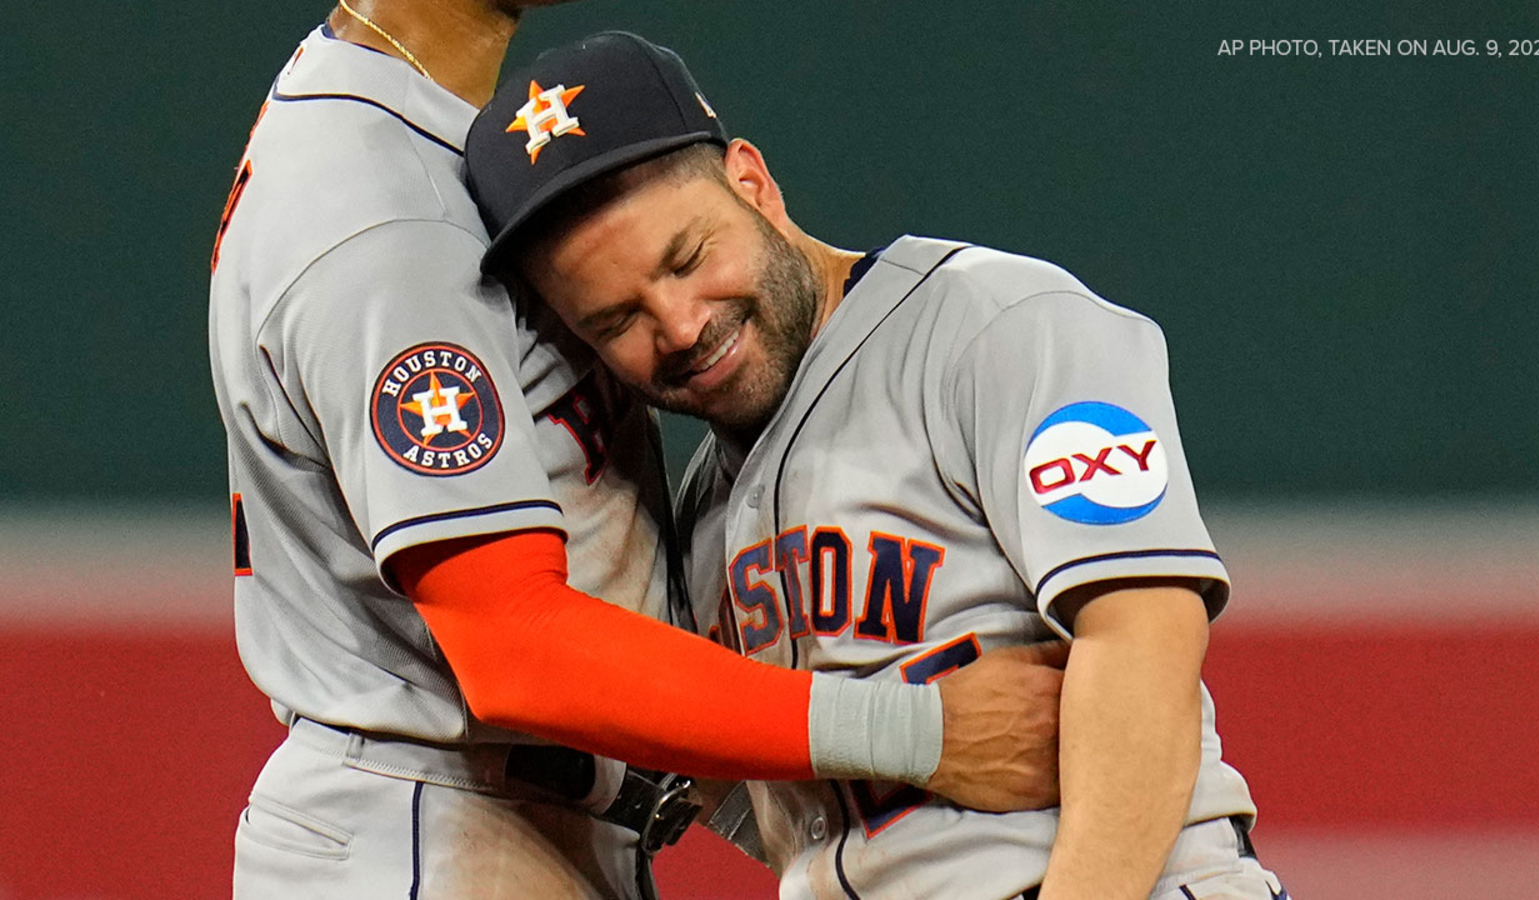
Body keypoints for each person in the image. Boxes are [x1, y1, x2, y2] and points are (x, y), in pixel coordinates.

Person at [208, 5, 1066, 899]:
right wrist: (916, 735)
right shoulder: (384, 214)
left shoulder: (391, 127)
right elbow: (512, 644)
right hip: (431, 832)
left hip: (503, 825)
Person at [464, 31, 1290, 900]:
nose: (676, 324)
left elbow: (1144, 641)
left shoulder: (999, 325)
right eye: (613, 320)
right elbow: (780, 813)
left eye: (688, 258)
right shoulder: (703, 509)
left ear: (752, 182)